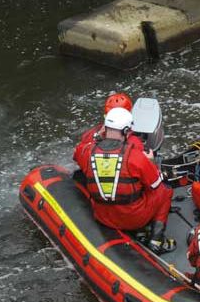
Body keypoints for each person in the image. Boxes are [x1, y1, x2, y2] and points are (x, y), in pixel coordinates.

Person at [73, 107, 175, 254]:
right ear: (127, 131)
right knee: (165, 190)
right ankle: (156, 240)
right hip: (133, 218)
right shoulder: (135, 156)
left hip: (103, 217)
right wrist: (151, 162)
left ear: (105, 128)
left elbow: (77, 153)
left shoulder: (87, 152)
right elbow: (155, 184)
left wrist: (96, 136)